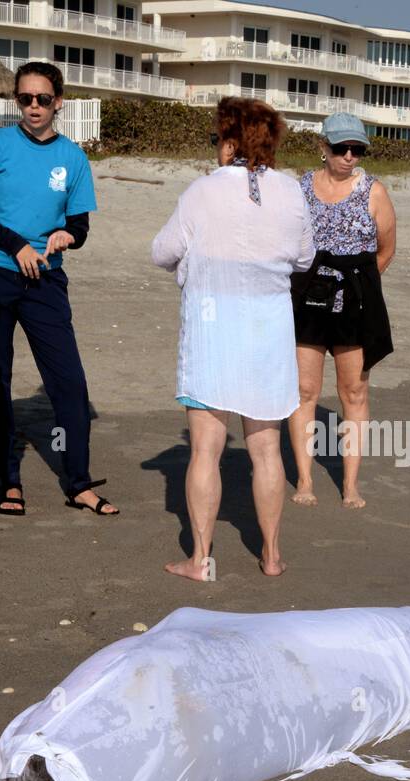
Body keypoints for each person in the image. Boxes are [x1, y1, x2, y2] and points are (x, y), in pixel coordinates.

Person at [151, 96, 315, 581]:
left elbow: (162, 251)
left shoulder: (203, 191)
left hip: (211, 327)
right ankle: (271, 555)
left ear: (228, 142)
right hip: (268, 328)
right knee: (265, 449)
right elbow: (304, 258)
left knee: (205, 449)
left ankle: (201, 559)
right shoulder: (290, 191)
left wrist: (199, 259)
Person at [0, 62, 117, 517]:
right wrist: (15, 246)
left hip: (46, 280)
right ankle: (8, 482)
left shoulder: (73, 157)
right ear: (16, 100)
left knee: (70, 382)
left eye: (43, 99)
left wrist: (66, 236)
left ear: (59, 101)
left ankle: (78, 482)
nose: (34, 107)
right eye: (25, 99)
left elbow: (80, 224)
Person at [287, 113, 397, 510]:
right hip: (308, 298)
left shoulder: (374, 191)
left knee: (353, 391)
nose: (350, 157)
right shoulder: (299, 188)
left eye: (358, 149)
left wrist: (359, 287)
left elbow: (386, 249)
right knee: (304, 392)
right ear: (323, 148)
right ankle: (303, 478)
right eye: (341, 149)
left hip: (355, 301)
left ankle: (350, 484)